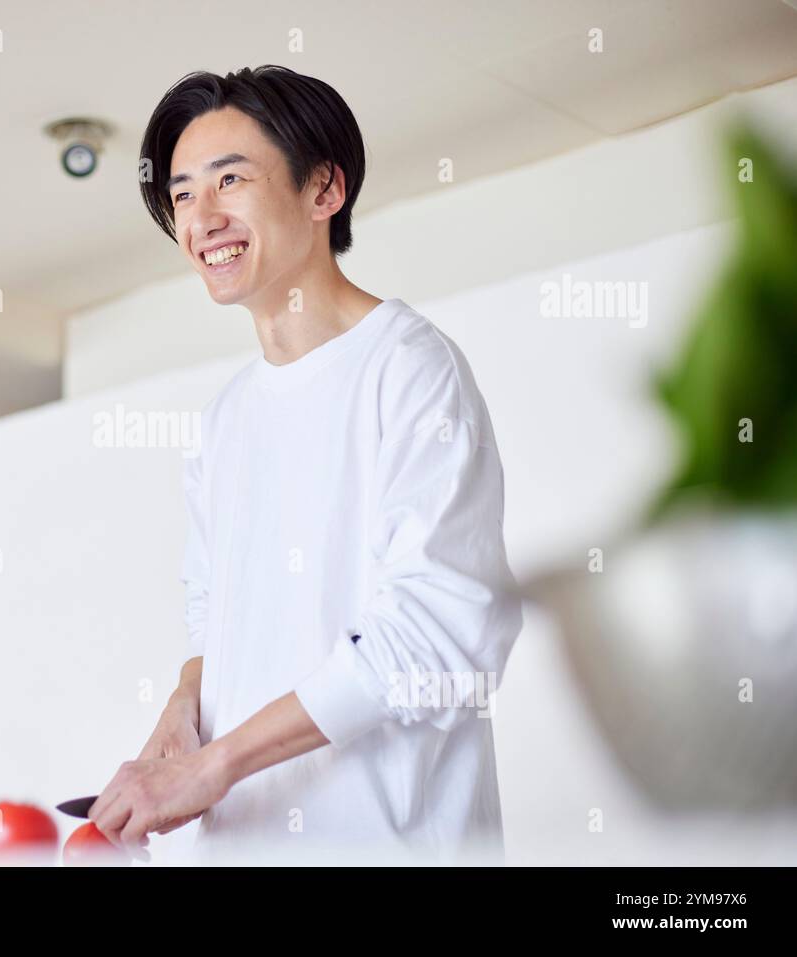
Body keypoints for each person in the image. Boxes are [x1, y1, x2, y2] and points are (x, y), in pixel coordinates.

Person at [88, 65, 523, 865]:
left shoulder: (410, 368)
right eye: (182, 194)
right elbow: (212, 612)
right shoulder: (227, 419)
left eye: (230, 181)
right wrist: (182, 713)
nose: (202, 217)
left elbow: (439, 637)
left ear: (324, 189)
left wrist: (213, 767)